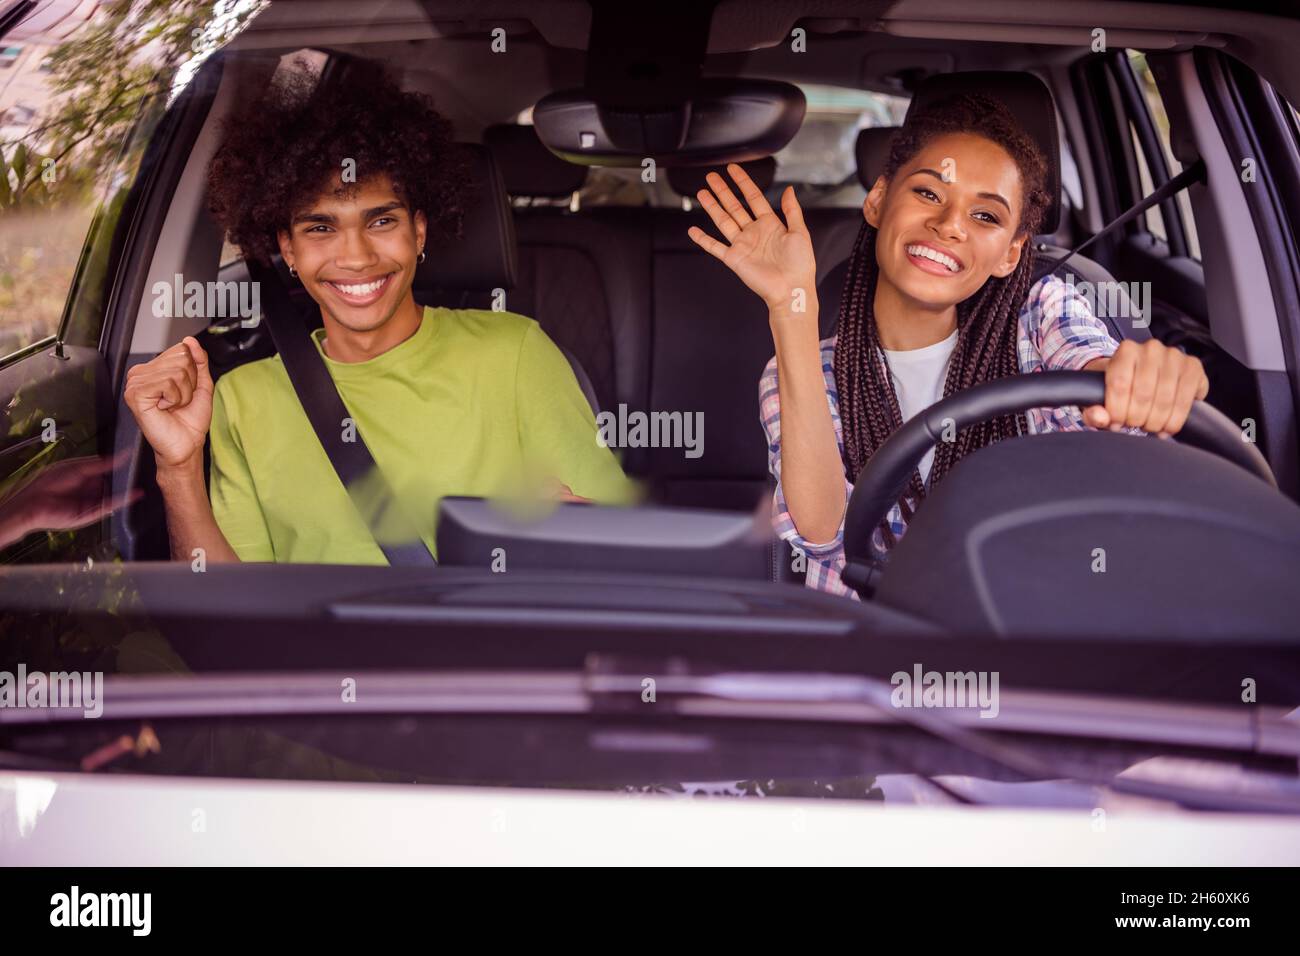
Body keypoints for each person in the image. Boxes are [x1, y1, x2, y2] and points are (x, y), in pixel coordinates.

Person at [688, 92, 1208, 597]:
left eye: (986, 216)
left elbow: (1094, 366)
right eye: (928, 193)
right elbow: (823, 533)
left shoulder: (1041, 311)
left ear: (1011, 253)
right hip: (873, 652)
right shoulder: (806, 369)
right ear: (877, 200)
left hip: (1035, 635)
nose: (948, 226)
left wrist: (1137, 380)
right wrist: (790, 305)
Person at [125, 61, 632, 564]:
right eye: (321, 228)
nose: (357, 257)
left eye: (381, 221)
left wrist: (572, 532)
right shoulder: (241, 400)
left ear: (419, 232)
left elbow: (617, 557)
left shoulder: (516, 352)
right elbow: (231, 614)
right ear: (289, 249)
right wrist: (178, 468)